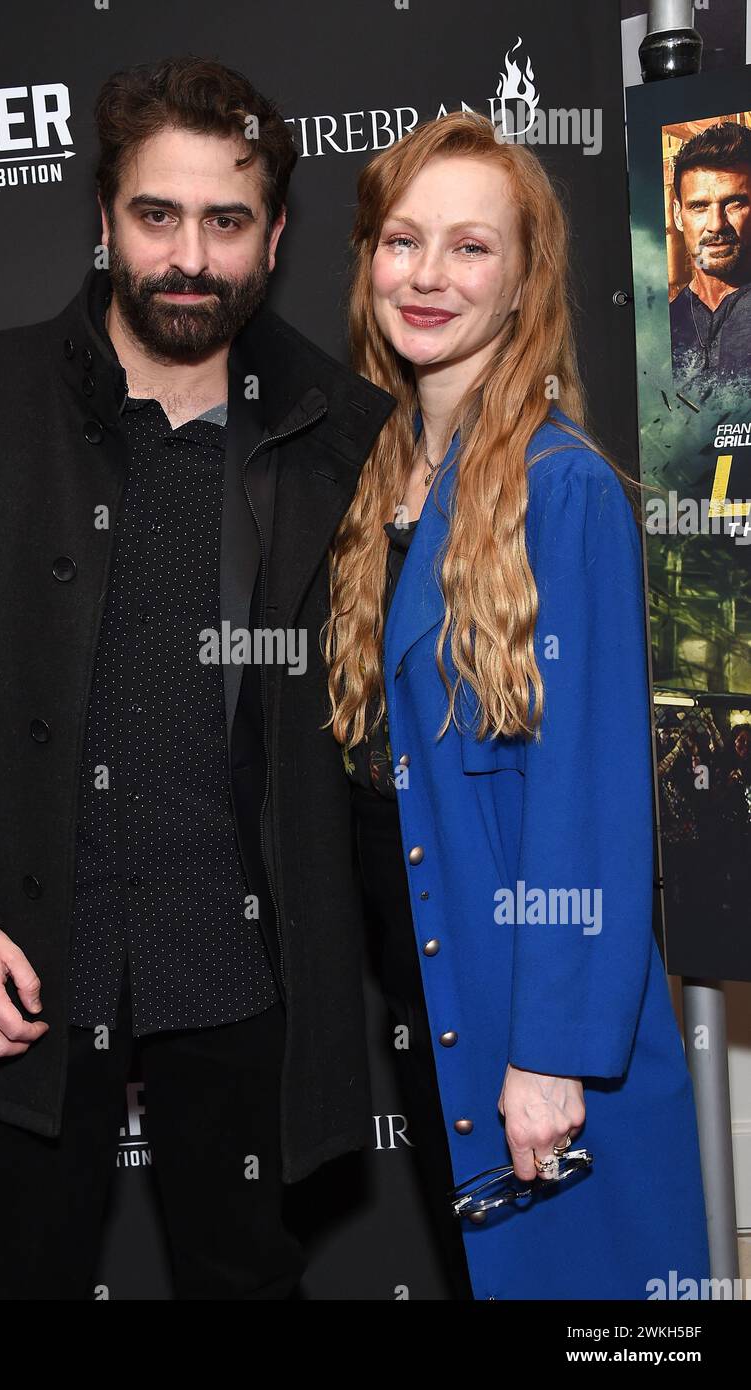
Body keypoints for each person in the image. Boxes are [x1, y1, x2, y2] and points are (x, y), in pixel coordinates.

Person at [0, 55, 396, 1300]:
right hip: (29, 967)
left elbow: (380, 733)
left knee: (247, 1278)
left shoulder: (342, 435)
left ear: (275, 234)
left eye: (225, 222)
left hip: (242, 976)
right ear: (103, 219)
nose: (188, 256)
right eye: (157, 215)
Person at [324, 109, 711, 1300]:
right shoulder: (381, 478)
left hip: (537, 1032)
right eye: (401, 241)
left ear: (525, 278)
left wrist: (548, 1057)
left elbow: (591, 801)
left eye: (468, 247)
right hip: (438, 1013)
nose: (426, 276)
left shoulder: (564, 488)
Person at [669, 122, 751, 391]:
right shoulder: (663, 324)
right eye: (699, 206)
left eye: (733, 203)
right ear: (679, 215)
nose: (716, 224)